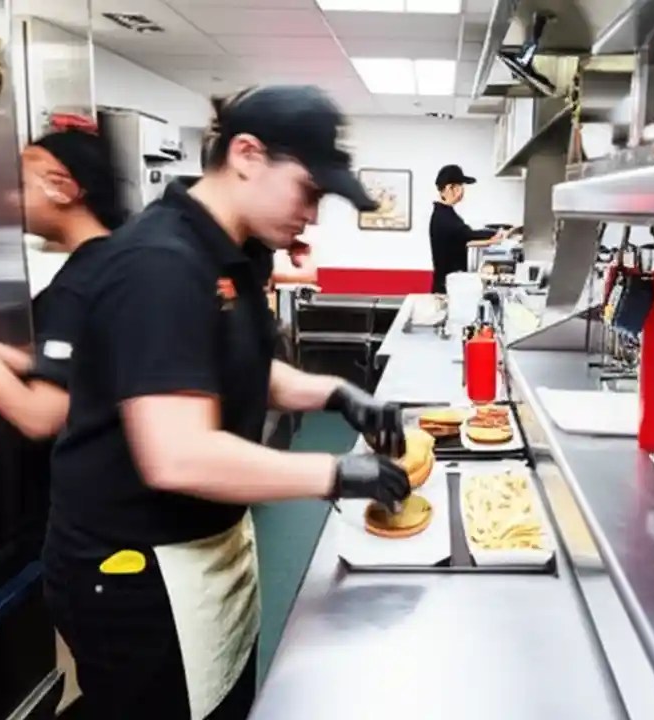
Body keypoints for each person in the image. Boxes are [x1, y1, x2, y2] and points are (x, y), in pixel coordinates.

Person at [43, 85, 410, 720]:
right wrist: (335, 473)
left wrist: (336, 393)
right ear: (246, 154)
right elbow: (177, 456)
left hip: (204, 547)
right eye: (309, 191)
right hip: (139, 565)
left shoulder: (234, 253)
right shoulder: (161, 261)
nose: (313, 215)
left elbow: (232, 368)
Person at [0, 127, 126, 438]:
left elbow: (40, 417)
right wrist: (26, 361)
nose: (10, 199)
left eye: (20, 186)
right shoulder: (120, 258)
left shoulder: (80, 283)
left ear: (63, 188)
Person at [428, 164, 509, 293]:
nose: (463, 191)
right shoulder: (444, 217)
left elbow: (465, 239)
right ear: (451, 188)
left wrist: (492, 238)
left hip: (447, 285)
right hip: (447, 288)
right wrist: (498, 234)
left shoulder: (442, 213)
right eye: (461, 187)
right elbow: (468, 235)